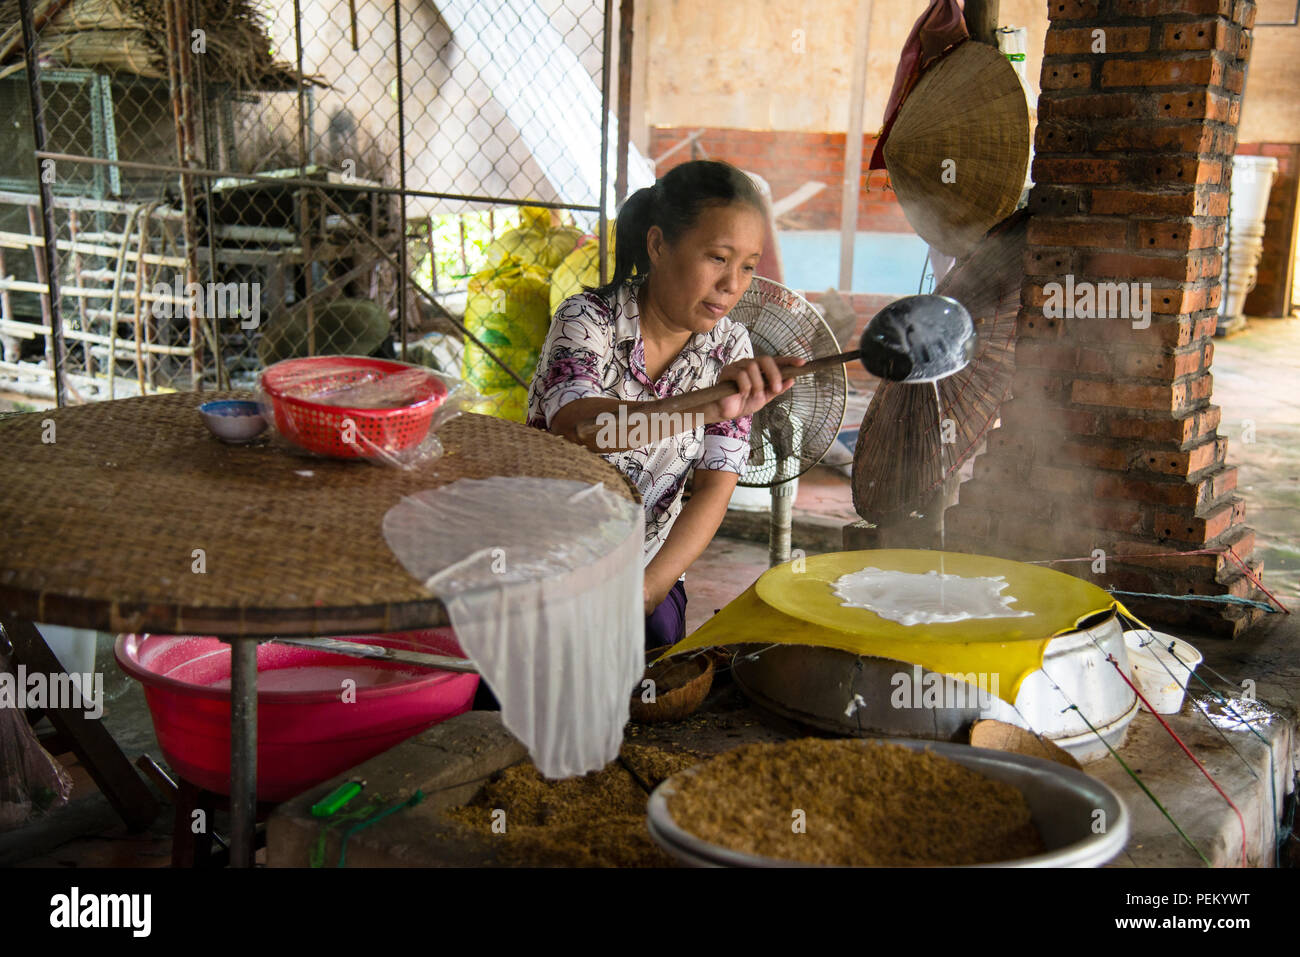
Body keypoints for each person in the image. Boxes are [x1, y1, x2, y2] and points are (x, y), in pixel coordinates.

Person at [526, 159, 804, 650]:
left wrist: (647, 591)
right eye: (717, 257)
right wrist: (710, 406)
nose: (732, 284)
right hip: (545, 563)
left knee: (647, 673)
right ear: (658, 245)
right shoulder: (588, 320)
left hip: (645, 568)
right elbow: (581, 432)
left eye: (747, 266)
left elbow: (715, 487)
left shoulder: (728, 347)